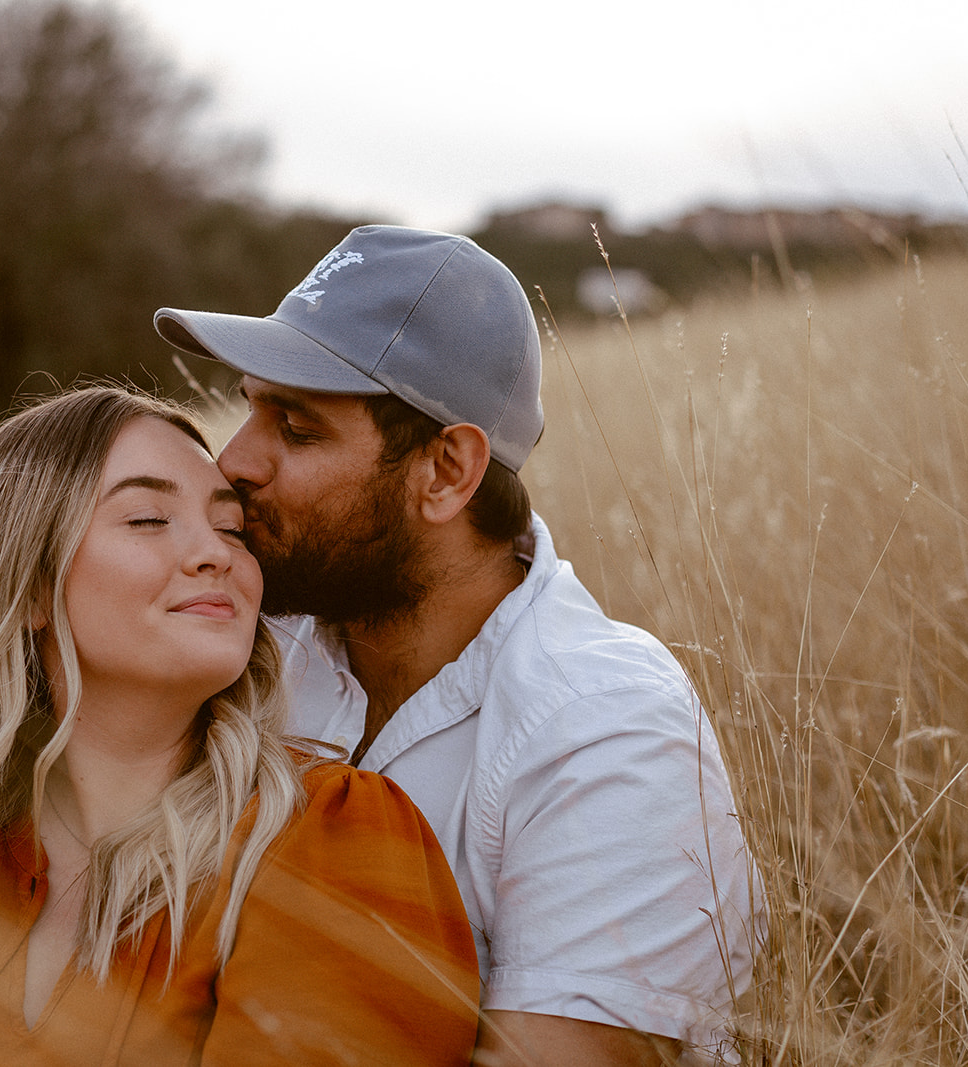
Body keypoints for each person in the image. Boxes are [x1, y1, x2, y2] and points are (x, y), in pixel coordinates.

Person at [0, 386, 480, 1066]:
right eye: (149, 518)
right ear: (30, 586)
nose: (215, 553)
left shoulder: (329, 837)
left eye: (233, 530)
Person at [153, 225, 761, 1066]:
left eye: (295, 428)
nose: (235, 460)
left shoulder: (609, 729)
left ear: (446, 470)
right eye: (249, 407)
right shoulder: (252, 641)